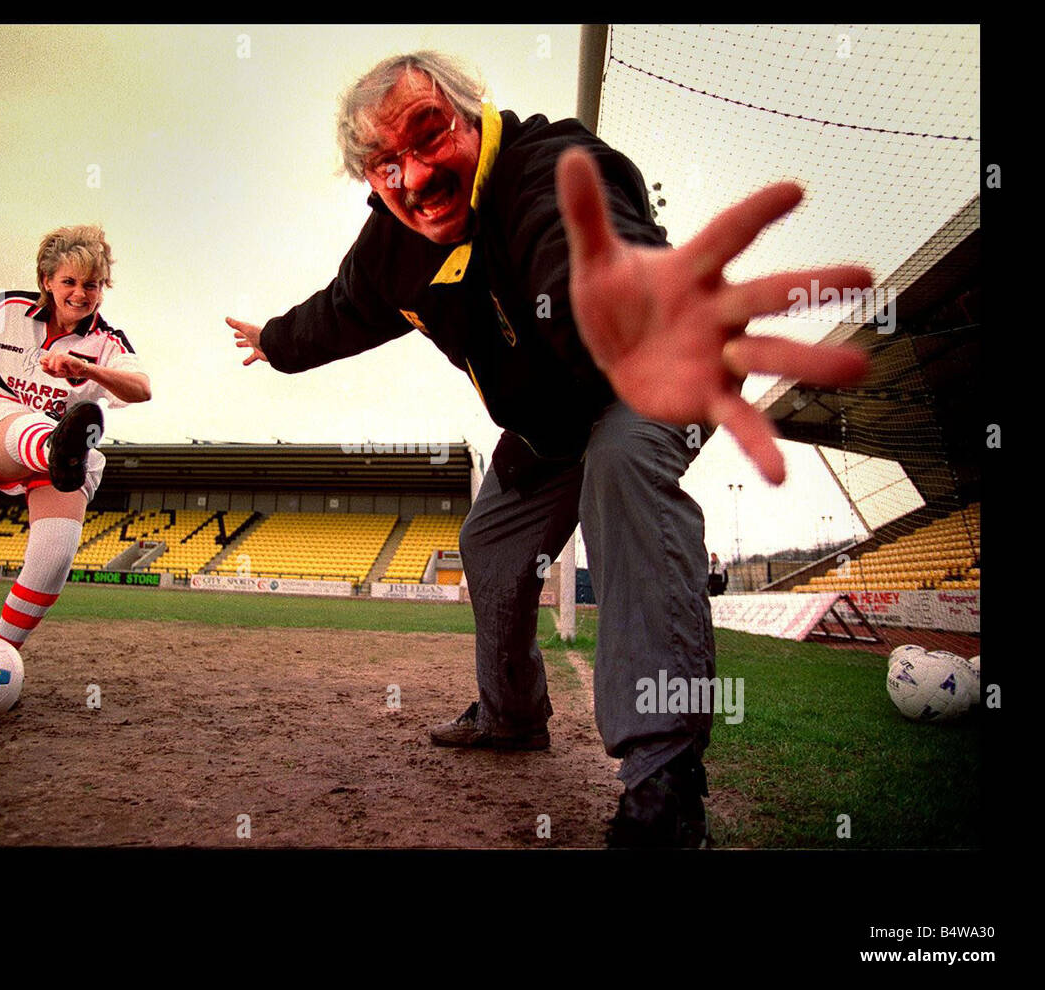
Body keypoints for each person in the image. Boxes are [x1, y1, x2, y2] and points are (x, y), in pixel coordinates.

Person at [226, 52, 870, 846]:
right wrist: (276, 343)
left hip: (639, 383)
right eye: (385, 165)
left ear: (473, 113)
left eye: (430, 137)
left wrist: (619, 314)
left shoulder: (553, 167)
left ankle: (663, 777)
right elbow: (339, 309)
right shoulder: (390, 246)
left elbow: (571, 242)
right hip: (541, 432)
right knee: (488, 546)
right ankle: (511, 716)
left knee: (624, 467)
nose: (416, 177)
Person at [0, 225, 150, 651]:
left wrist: (88, 371)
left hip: (64, 463)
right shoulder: (10, 311)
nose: (81, 294)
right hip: (6, 428)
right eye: (70, 282)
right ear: (47, 281)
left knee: (54, 558)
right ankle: (54, 449)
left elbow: (142, 389)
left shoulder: (107, 341)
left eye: (92, 285)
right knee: (38, 429)